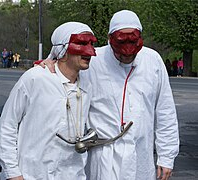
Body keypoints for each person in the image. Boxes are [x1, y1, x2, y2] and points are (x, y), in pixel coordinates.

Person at [39, 10, 179, 180]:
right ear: (109, 38)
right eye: (121, 51)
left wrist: (167, 156)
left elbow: (165, 111)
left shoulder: (152, 61)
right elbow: (63, 61)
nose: (127, 55)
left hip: (140, 156)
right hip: (102, 159)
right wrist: (48, 62)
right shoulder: (93, 60)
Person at [0, 22, 97, 180]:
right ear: (63, 48)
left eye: (92, 44)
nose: (90, 51)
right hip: (32, 174)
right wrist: (13, 173)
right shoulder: (36, 78)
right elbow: (7, 126)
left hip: (72, 174)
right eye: (82, 43)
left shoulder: (88, 83)